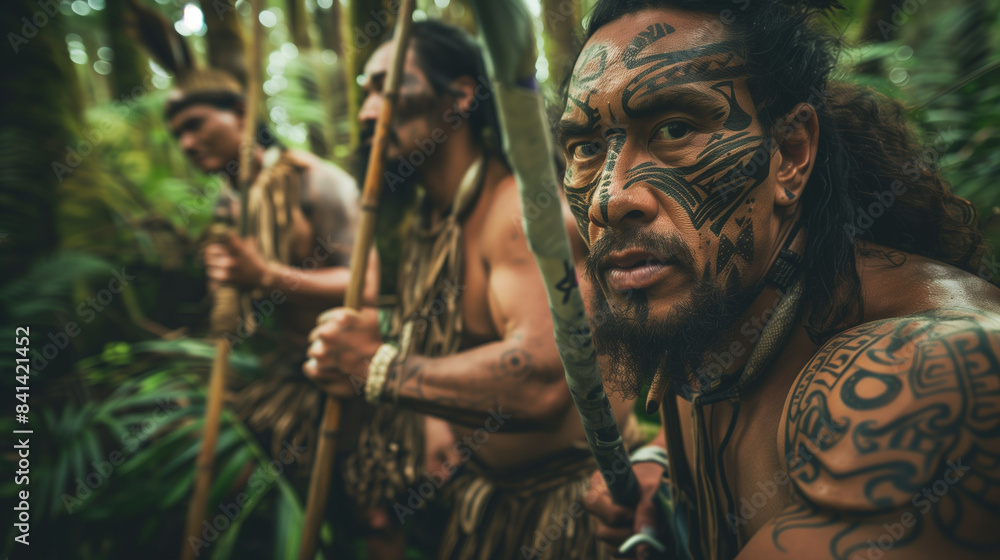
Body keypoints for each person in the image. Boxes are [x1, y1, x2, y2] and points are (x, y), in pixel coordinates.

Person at [559, 1, 1000, 559]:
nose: (607, 198)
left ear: (790, 153)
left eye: (674, 128)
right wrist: (658, 469)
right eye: (585, 148)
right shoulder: (715, 309)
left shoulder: (927, 378)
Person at [303, 20, 640, 560]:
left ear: (460, 95)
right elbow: (443, 336)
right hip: (488, 508)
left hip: (576, 512)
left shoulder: (515, 215)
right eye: (365, 92)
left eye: (388, 88)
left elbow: (542, 382)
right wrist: (433, 414)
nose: (369, 111)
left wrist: (377, 367)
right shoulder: (427, 221)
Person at [163, 66, 378, 475]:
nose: (187, 143)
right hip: (285, 371)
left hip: (350, 371)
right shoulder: (229, 204)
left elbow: (363, 285)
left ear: (241, 115)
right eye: (178, 135)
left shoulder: (316, 181)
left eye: (195, 125)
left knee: (372, 509)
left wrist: (264, 275)